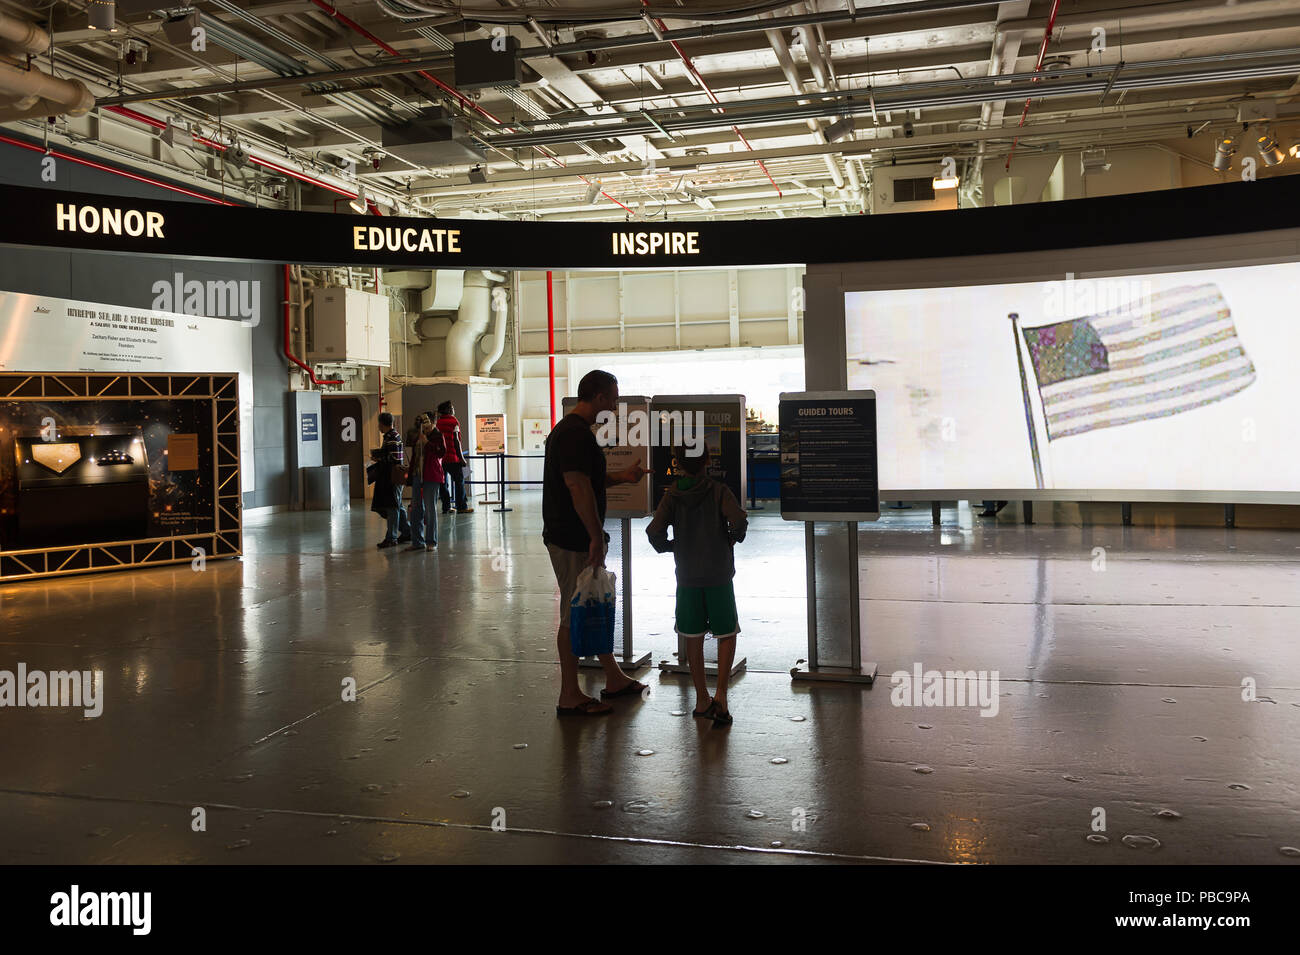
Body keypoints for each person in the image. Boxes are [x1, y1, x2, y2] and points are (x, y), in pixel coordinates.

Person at [543, 369, 647, 716]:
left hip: (576, 535)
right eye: (613, 400)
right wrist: (593, 537)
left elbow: (589, 479)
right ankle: (569, 695)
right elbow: (576, 486)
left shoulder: (573, 432)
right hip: (572, 537)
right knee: (573, 613)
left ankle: (614, 677)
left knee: (591, 603)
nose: (615, 407)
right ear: (599, 398)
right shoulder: (574, 435)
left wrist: (623, 476)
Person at [646, 444, 748, 726]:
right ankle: (722, 696)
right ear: (706, 461)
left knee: (692, 636)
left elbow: (654, 531)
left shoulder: (673, 495)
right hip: (718, 574)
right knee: (726, 632)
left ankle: (701, 699)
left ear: (678, 463)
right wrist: (732, 538)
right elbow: (738, 519)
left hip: (688, 576)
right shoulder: (718, 491)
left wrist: (670, 546)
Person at [405, 413, 445, 551]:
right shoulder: (418, 435)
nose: (424, 428)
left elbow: (441, 452)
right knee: (415, 508)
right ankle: (417, 541)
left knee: (430, 509)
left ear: (432, 423)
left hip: (431, 476)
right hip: (417, 474)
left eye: (427, 424)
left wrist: (427, 442)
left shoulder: (437, 436)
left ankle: (431, 541)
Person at [370, 411, 410, 548]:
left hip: (392, 477)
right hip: (394, 477)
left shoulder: (391, 437)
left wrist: (378, 458)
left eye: (378, 424)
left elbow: (395, 458)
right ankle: (407, 531)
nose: (378, 427)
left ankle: (391, 537)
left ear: (382, 424)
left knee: (392, 507)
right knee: (397, 505)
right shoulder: (392, 435)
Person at [436, 401, 473, 514]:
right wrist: (461, 457)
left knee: (443, 483)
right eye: (452, 408)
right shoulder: (454, 421)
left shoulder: (437, 423)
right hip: (452, 458)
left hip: (441, 458)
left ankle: (446, 507)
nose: (453, 409)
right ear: (448, 410)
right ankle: (461, 506)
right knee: (459, 481)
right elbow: (456, 440)